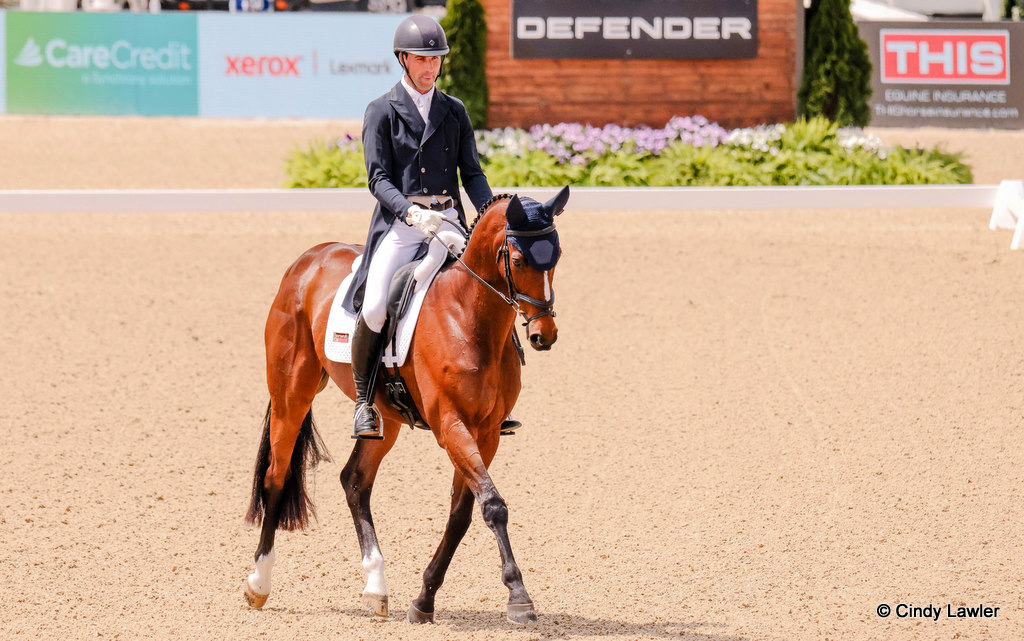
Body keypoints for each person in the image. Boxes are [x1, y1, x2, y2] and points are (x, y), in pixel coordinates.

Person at [342, 15, 520, 439]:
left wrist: (494, 215)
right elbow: (377, 179)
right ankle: (365, 403)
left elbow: (472, 174)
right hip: (403, 227)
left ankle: (497, 396)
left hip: (450, 221)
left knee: (495, 286)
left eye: (435, 60)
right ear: (402, 59)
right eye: (421, 59)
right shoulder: (381, 111)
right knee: (375, 306)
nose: (429, 68)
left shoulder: (453, 111)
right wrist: (409, 211)